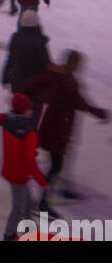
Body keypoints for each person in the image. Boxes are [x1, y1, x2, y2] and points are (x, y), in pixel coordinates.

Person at [24, 51, 108, 207]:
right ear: (72, 63)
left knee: (59, 163)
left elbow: (32, 84)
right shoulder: (65, 81)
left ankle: (55, 192)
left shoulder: (60, 76)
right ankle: (42, 200)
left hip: (59, 128)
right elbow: (79, 102)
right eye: (78, 63)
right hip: (56, 130)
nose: (79, 67)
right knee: (56, 166)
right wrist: (100, 113)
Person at [0, 94, 48, 241]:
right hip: (19, 175)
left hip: (9, 170)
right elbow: (29, 159)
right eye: (29, 108)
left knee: (27, 201)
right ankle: (9, 235)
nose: (31, 111)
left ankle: (29, 228)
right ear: (24, 110)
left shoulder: (7, 119)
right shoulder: (30, 132)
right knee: (18, 206)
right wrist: (42, 181)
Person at [1, 15, 51, 100]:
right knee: (34, 106)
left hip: (18, 81)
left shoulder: (16, 38)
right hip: (35, 83)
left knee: (19, 106)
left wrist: (5, 77)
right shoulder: (39, 40)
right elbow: (46, 61)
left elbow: (10, 59)